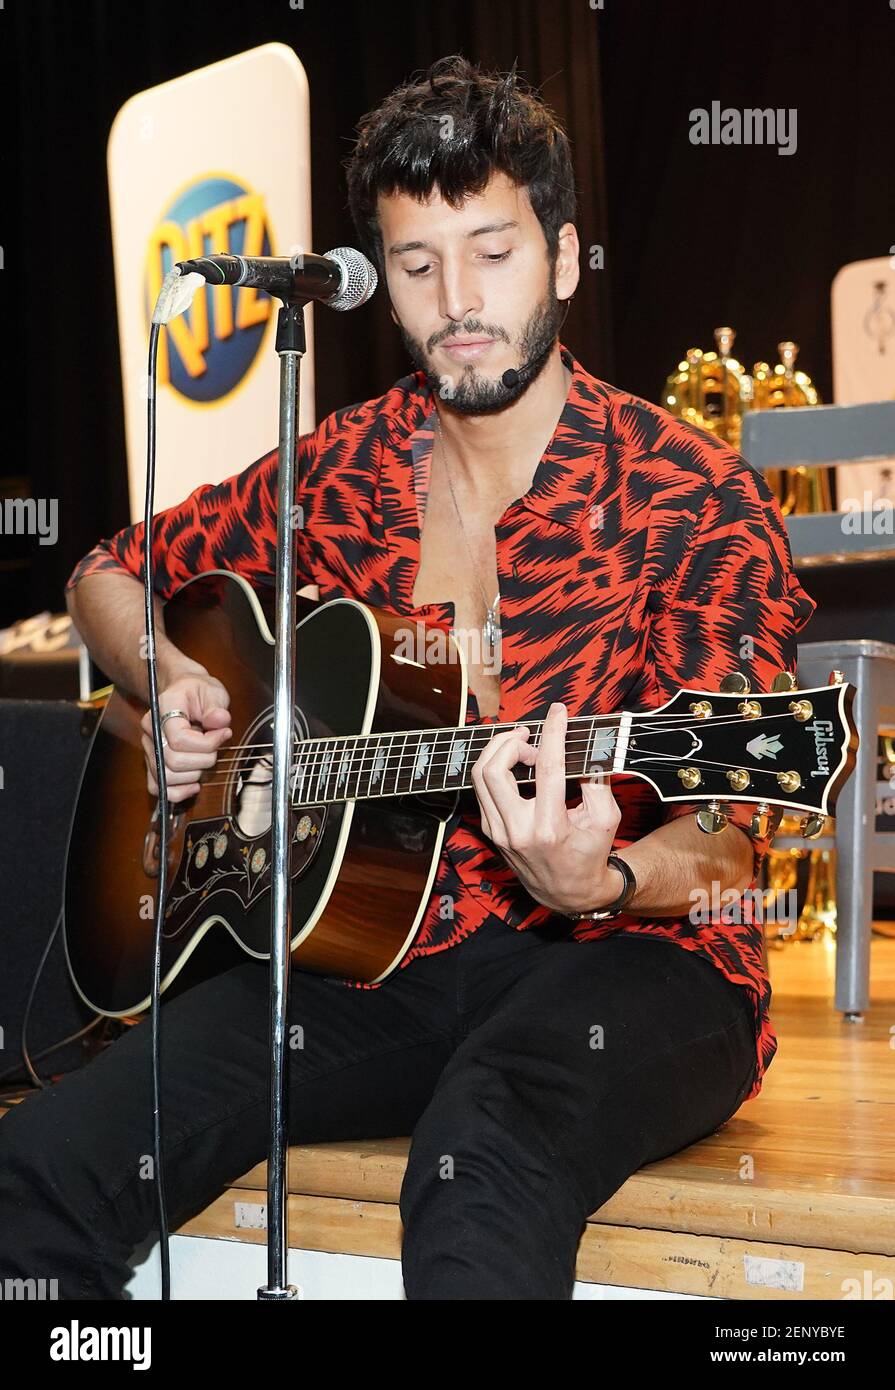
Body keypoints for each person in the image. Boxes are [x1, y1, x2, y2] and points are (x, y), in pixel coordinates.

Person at [0, 54, 816, 1300]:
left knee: (475, 1159)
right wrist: (164, 678)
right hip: (387, 946)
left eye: (492, 250)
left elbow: (727, 851)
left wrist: (599, 874)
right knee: (49, 1157)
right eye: (419, 263)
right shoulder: (343, 466)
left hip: (653, 964)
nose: (459, 299)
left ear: (567, 256)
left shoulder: (690, 498)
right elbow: (110, 570)